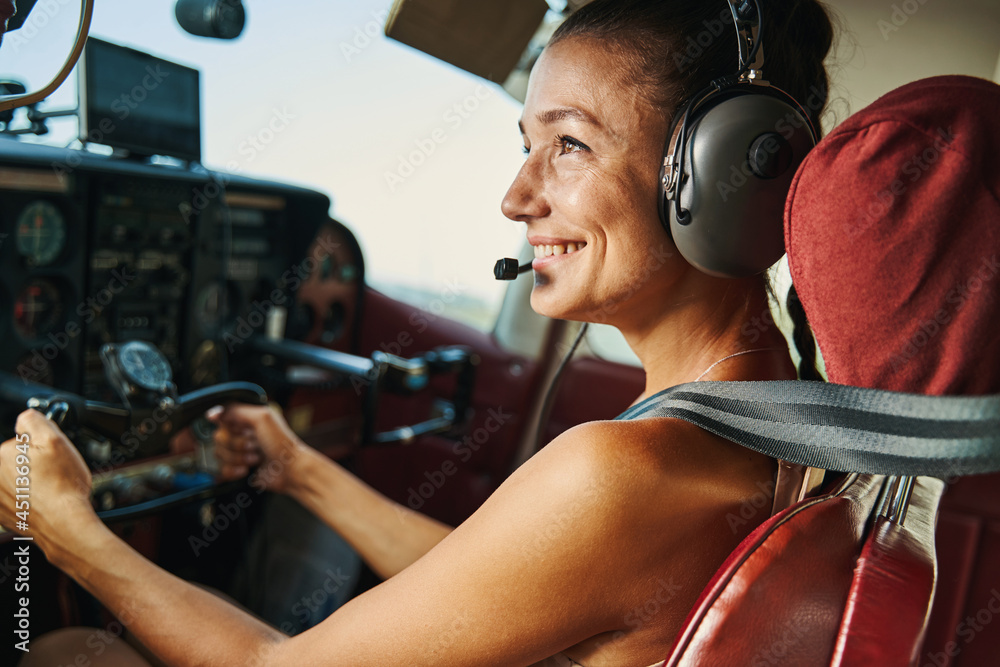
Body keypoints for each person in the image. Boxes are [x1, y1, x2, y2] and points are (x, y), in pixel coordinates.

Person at [0, 1, 835, 665]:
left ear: (718, 181)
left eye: (569, 144)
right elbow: (501, 574)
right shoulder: (773, 407)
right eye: (527, 145)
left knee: (70, 647)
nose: (517, 197)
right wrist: (298, 468)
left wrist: (64, 525)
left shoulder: (626, 472)